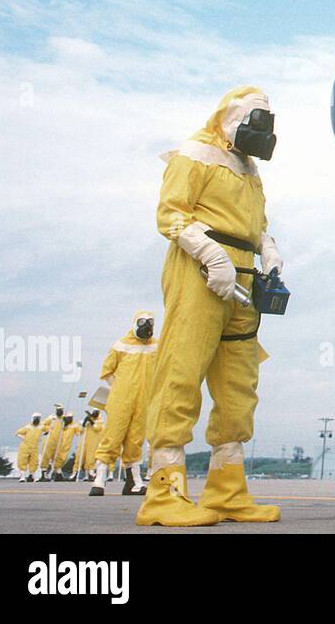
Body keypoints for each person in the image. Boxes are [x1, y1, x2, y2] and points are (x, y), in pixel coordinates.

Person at [137, 87, 283, 527]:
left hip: (243, 275)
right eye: (257, 120)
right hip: (200, 269)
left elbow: (257, 224)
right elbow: (171, 214)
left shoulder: (249, 170)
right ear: (233, 117)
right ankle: (163, 493)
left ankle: (227, 491)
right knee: (181, 369)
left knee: (239, 381)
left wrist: (269, 250)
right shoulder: (193, 154)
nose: (264, 131)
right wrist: (209, 254)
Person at [90, 310, 158, 497]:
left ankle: (134, 481)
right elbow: (107, 370)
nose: (147, 325)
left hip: (144, 399)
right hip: (121, 399)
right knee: (113, 435)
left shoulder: (156, 346)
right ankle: (100, 479)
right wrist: (119, 388)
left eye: (150, 322)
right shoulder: (121, 345)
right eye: (143, 322)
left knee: (136, 438)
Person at [74, 409, 105, 481]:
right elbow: (80, 431)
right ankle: (83, 474)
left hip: (94, 441)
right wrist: (84, 423)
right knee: (81, 455)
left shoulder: (100, 421)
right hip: (85, 441)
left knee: (91, 456)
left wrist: (91, 422)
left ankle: (91, 473)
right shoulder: (88, 421)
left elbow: (97, 428)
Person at [15, 412, 47, 482]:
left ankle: (33, 476)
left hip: (34, 447)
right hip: (25, 447)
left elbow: (48, 429)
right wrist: (24, 438)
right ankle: (22, 477)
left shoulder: (41, 427)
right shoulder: (28, 427)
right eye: (36, 418)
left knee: (34, 462)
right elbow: (17, 433)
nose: (37, 419)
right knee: (22, 461)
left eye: (38, 418)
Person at [38, 404, 66, 480]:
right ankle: (44, 473)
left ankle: (58, 473)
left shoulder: (63, 419)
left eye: (61, 410)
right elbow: (42, 425)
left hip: (59, 440)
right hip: (49, 440)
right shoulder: (52, 418)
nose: (60, 411)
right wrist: (48, 428)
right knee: (46, 455)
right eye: (58, 410)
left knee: (58, 456)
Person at [52, 411, 81, 480]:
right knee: (57, 457)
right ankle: (57, 472)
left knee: (64, 459)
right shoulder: (62, 424)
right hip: (59, 443)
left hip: (67, 445)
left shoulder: (74, 425)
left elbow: (79, 432)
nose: (69, 419)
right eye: (68, 417)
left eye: (71, 417)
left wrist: (82, 426)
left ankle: (58, 472)